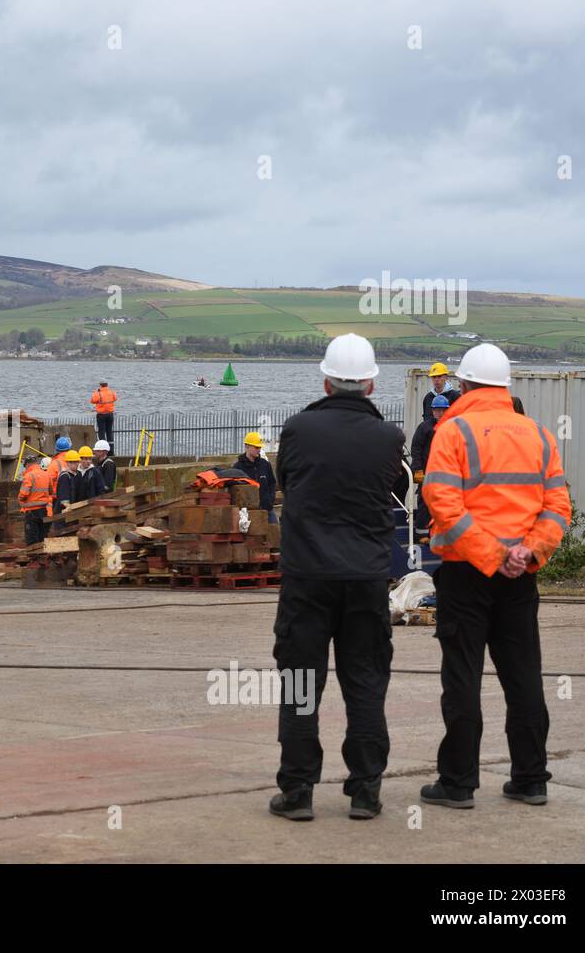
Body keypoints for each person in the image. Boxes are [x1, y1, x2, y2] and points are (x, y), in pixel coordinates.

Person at [419, 343, 570, 810]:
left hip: (467, 573)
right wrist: (527, 551)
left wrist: (490, 554)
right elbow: (558, 506)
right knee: (523, 676)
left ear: (462, 385)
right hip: (521, 575)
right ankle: (530, 778)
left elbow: (442, 501)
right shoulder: (539, 434)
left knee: (462, 676)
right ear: (507, 386)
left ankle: (459, 782)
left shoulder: (453, 430)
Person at [269, 333, 407, 823]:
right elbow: (396, 488)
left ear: (326, 381)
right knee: (366, 684)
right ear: (370, 384)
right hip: (366, 579)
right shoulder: (390, 437)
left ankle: (298, 790)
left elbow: (285, 482)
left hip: (307, 577)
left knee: (302, 684)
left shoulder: (297, 429)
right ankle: (366, 791)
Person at [409, 394, 449, 533]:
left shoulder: (451, 427)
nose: (440, 412)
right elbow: (416, 449)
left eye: (443, 410)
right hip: (425, 473)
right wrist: (417, 470)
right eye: (437, 410)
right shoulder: (424, 428)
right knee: (424, 502)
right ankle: (421, 533)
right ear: (432, 411)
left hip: (445, 474)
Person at [232, 432, 276, 519]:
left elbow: (272, 484)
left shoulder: (265, 465)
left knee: (276, 531)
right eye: (256, 447)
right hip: (247, 513)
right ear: (247, 446)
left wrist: (270, 501)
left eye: (260, 447)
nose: (259, 449)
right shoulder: (238, 467)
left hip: (267, 509)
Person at [17, 453, 51, 545]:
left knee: (32, 540)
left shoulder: (28, 476)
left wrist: (20, 499)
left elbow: (24, 493)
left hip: (32, 511)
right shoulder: (46, 474)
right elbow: (51, 490)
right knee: (42, 538)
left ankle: (34, 558)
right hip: (44, 510)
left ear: (27, 464)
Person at [52, 449, 81, 517]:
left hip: (73, 510)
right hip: (63, 512)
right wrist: (68, 506)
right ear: (68, 463)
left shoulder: (78, 474)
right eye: (74, 462)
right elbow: (63, 497)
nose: (77, 463)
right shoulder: (65, 476)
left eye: (77, 461)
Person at [90, 382, 117, 452]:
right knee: (109, 432)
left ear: (100, 385)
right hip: (110, 415)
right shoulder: (111, 392)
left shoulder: (98, 393)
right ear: (107, 385)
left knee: (101, 432)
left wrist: (96, 392)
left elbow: (92, 400)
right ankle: (111, 451)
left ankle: (103, 450)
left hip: (101, 415)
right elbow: (115, 398)